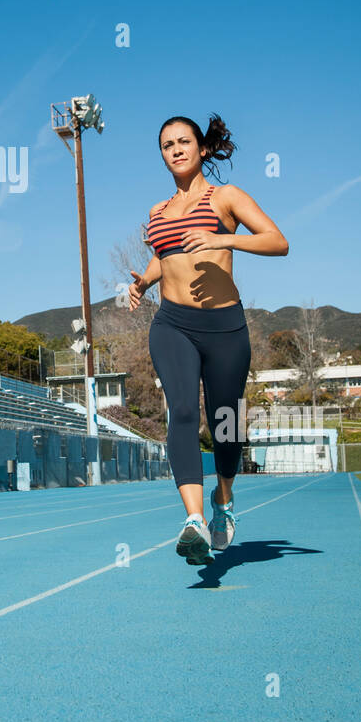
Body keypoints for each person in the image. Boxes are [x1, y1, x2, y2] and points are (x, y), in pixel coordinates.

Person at [128, 114, 288, 566]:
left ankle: (224, 497)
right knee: (180, 410)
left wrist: (224, 239)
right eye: (166, 145)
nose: (175, 149)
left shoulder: (226, 197)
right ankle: (194, 520)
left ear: (201, 148)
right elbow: (167, 258)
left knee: (226, 426)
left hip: (225, 327)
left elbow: (278, 241)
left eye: (183, 141)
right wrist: (144, 281)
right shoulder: (158, 212)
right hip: (172, 323)